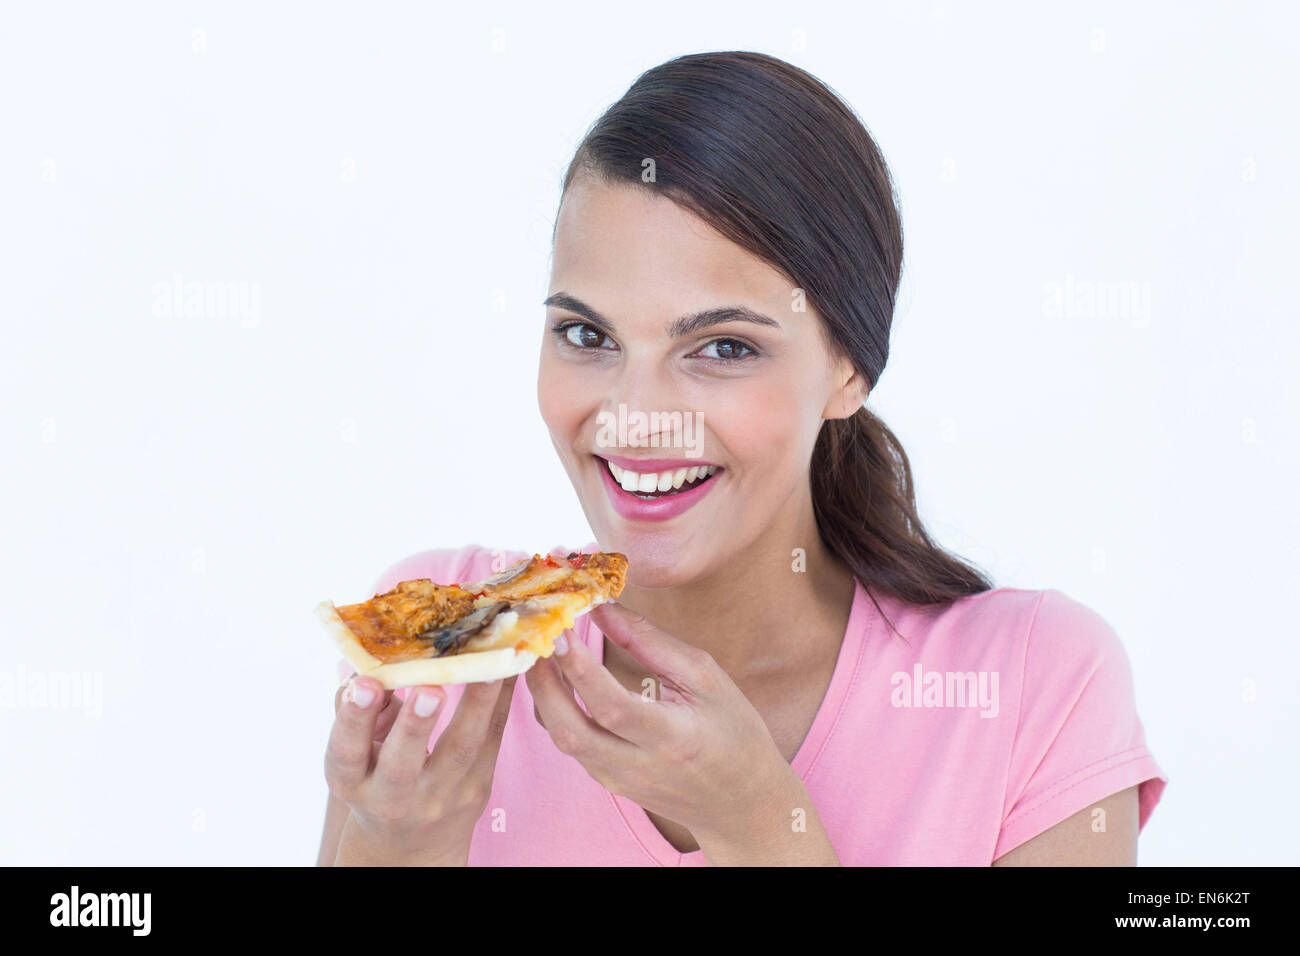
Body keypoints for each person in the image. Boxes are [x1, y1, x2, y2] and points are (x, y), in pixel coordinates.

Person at [317, 51, 1167, 866]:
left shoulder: (1032, 685)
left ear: (849, 369)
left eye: (722, 348)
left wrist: (759, 823)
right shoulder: (445, 646)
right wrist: (401, 852)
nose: (635, 418)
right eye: (587, 334)